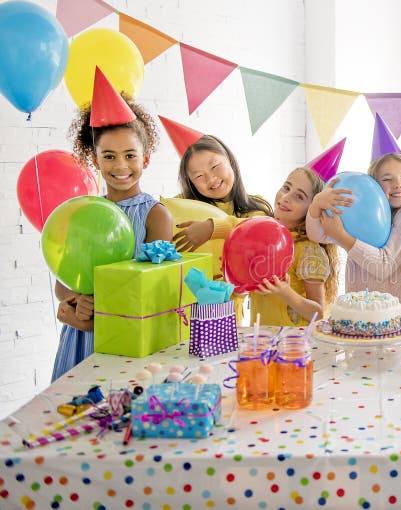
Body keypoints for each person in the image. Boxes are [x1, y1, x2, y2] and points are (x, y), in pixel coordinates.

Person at [53, 68, 172, 381]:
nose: (120, 165)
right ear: (95, 159)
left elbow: (156, 295)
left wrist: (96, 320)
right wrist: (71, 304)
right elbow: (64, 281)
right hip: (79, 340)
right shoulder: (83, 212)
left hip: (127, 339)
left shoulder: (155, 215)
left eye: (130, 155)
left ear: (145, 159)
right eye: (109, 156)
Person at [161, 122, 273, 323]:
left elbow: (262, 230)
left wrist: (212, 228)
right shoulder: (183, 205)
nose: (211, 179)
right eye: (199, 176)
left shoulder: (256, 208)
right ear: (190, 182)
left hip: (230, 315)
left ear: (229, 159)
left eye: (215, 166)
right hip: (184, 312)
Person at [306, 153, 401, 319]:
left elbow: (384, 266)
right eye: (387, 179)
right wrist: (316, 205)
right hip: (358, 318)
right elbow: (317, 235)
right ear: (373, 186)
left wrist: (340, 235)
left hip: (397, 322)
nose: (398, 184)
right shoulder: (364, 212)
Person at [251, 167, 339, 326]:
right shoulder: (263, 237)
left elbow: (318, 313)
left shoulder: (308, 251)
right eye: (286, 188)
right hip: (262, 336)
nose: (286, 197)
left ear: (312, 210)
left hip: (294, 339)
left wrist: (285, 292)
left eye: (299, 196)